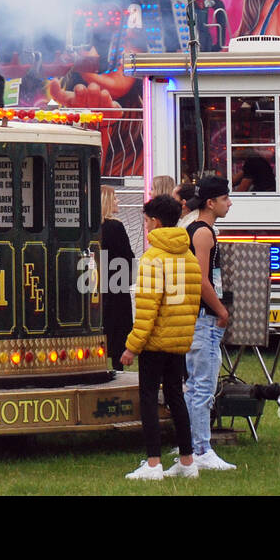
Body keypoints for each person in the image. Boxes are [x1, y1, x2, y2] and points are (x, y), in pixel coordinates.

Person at [120, 195, 201, 480]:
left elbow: (147, 309)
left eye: (145, 221)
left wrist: (132, 346)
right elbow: (192, 300)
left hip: (155, 341)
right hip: (180, 340)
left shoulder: (153, 258)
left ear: (155, 221)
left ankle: (153, 463)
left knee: (148, 397)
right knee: (176, 396)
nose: (145, 227)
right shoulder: (189, 256)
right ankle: (188, 461)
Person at [181, 175, 236, 472]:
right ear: (211, 203)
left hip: (195, 316)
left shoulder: (192, 228)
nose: (230, 203)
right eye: (225, 198)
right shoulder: (203, 233)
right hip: (204, 317)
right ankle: (201, 448)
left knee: (193, 385)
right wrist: (221, 310)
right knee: (203, 385)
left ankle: (189, 444)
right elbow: (202, 280)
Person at [100, 186, 134, 371]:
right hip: (117, 286)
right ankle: (117, 371)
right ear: (106, 201)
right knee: (118, 334)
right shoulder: (116, 226)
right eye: (114, 199)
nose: (118, 202)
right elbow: (127, 256)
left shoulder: (94, 228)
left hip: (98, 285)